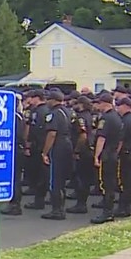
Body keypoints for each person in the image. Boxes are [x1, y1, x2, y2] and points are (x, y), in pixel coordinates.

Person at [40, 89, 74, 220]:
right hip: (67, 143)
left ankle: (57, 210)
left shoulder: (53, 113)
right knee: (61, 179)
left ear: (53, 100)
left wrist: (45, 152)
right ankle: (60, 207)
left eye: (48, 99)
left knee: (54, 180)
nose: (47, 101)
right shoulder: (67, 111)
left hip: (58, 145)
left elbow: (52, 133)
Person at [91, 91, 123, 224]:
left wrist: (96, 156)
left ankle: (107, 212)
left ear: (104, 103)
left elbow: (101, 138)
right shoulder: (117, 117)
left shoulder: (106, 118)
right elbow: (121, 139)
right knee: (111, 182)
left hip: (106, 154)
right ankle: (108, 211)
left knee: (105, 184)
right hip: (114, 153)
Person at [2, 91, 29, 217]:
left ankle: (15, 205)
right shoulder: (19, 115)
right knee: (15, 177)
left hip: (15, 148)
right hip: (18, 148)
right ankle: (14, 202)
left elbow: (17, 134)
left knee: (15, 178)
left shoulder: (13, 116)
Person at [26, 90, 53, 210]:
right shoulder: (48, 110)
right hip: (43, 145)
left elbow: (33, 129)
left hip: (38, 145)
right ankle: (40, 198)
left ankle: (39, 200)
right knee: (42, 174)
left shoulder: (37, 111)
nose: (29, 100)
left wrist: (28, 143)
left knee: (38, 173)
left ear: (37, 98)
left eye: (31, 98)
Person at [68, 96, 94, 214]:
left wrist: (77, 150)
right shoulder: (91, 116)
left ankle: (81, 204)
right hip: (89, 149)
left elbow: (83, 136)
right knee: (86, 178)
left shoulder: (81, 117)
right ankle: (82, 203)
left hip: (83, 151)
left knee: (81, 178)